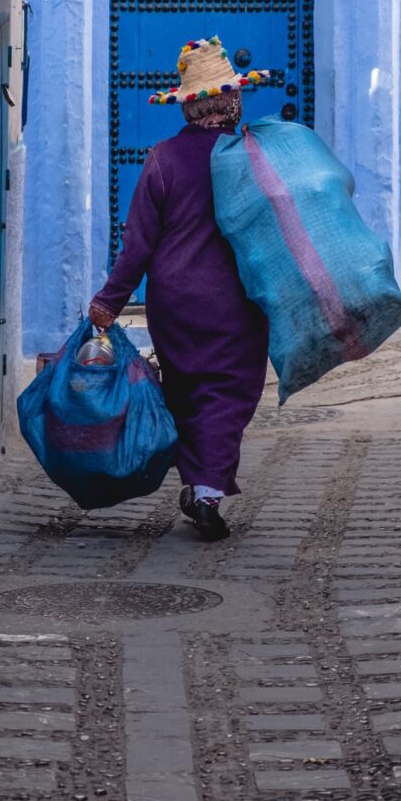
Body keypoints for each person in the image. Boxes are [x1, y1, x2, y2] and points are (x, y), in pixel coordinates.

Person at [88, 36, 270, 541]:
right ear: (231, 102)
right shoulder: (252, 154)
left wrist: (109, 302)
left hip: (175, 303)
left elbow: (138, 244)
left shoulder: (163, 159)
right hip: (237, 303)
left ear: (189, 106)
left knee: (188, 388)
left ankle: (196, 481)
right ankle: (207, 491)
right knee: (227, 393)